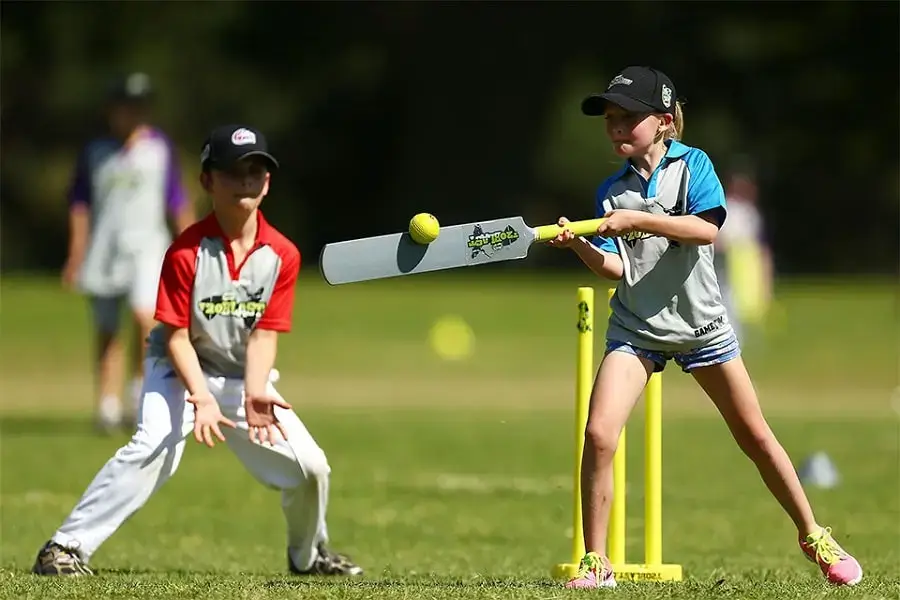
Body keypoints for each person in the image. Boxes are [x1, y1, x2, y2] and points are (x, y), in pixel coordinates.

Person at [548, 66, 862, 589]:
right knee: (599, 435)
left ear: (665, 121)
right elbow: (617, 267)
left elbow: (705, 230)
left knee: (756, 437)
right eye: (609, 120)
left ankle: (814, 535)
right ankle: (596, 561)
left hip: (703, 327)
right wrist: (580, 245)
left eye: (627, 118)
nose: (616, 129)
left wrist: (640, 220)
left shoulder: (693, 166)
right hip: (636, 328)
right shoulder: (611, 189)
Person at [33, 125, 363, 578]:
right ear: (208, 181)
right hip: (176, 366)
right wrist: (201, 399)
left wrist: (253, 393)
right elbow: (174, 336)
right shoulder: (186, 252)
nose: (246, 181)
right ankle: (65, 548)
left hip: (241, 373)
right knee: (155, 444)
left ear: (267, 183)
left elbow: (265, 335)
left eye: (255, 172)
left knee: (311, 467)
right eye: (233, 172)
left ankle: (308, 556)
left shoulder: (282, 254)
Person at [62, 72, 196, 433]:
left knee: (145, 317)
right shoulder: (96, 153)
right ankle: (107, 403)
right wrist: (76, 254)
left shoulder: (158, 149)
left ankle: (140, 390)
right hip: (105, 250)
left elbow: (177, 200)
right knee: (107, 329)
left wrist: (192, 246)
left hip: (148, 247)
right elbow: (80, 204)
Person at [714, 163, 774, 343]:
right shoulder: (726, 208)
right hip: (725, 269)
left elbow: (759, 244)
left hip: (744, 270)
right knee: (728, 309)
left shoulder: (749, 212)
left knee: (740, 311)